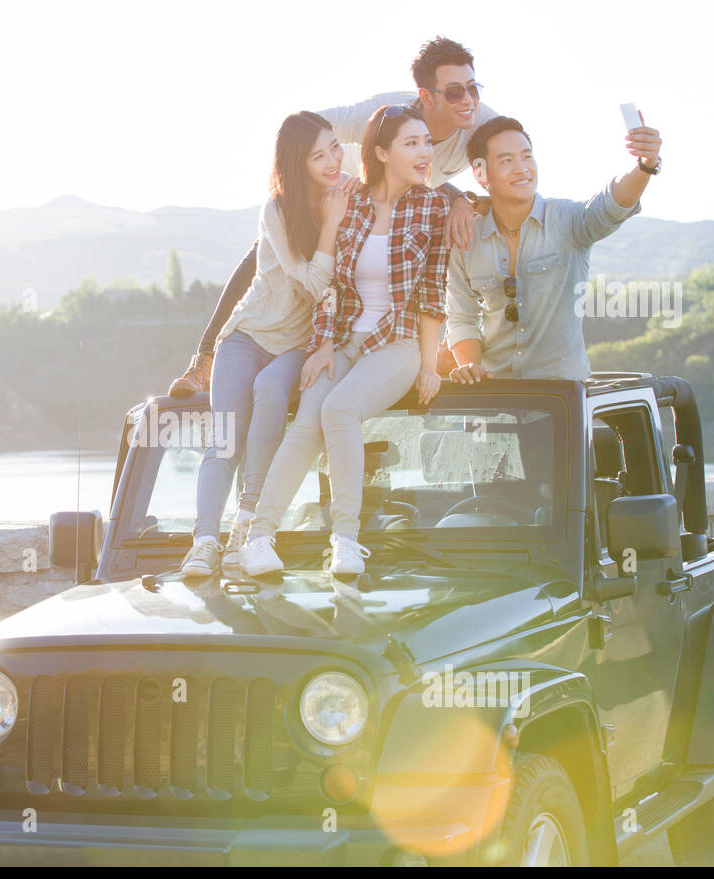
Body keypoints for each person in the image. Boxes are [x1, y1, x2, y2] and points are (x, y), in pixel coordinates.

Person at [169, 36, 496, 398]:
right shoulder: (382, 114)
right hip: (351, 185)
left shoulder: (481, 122)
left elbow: (505, 166)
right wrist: (325, 184)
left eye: (473, 88)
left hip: (406, 198)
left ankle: (447, 346)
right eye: (454, 92)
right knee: (273, 239)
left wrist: (462, 199)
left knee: (443, 232)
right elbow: (304, 132)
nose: (468, 100)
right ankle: (206, 357)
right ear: (425, 96)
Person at [239, 105, 449, 578]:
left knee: (339, 410)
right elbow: (329, 285)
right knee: (306, 422)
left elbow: (434, 292)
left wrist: (431, 364)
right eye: (411, 143)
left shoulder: (433, 207)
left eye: (427, 142)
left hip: (396, 343)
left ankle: (346, 540)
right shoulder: (349, 200)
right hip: (344, 339)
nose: (424, 152)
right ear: (382, 152)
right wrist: (323, 345)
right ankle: (258, 538)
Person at [179, 112, 358, 577]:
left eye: (335, 148)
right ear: (297, 164)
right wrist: (329, 227)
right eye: (318, 155)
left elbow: (332, 292)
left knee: (271, 391)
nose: (332, 160)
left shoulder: (350, 199)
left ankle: (245, 527)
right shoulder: (276, 210)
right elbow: (311, 282)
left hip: (300, 344)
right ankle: (203, 542)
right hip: (248, 335)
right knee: (223, 442)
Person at [444, 115, 663, 382]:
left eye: (527, 157)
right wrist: (469, 366)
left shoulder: (566, 220)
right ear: (480, 172)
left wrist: (645, 166)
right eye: (506, 161)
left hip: (563, 402)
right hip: (492, 400)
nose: (522, 168)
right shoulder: (467, 236)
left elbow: (611, 204)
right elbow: (461, 318)